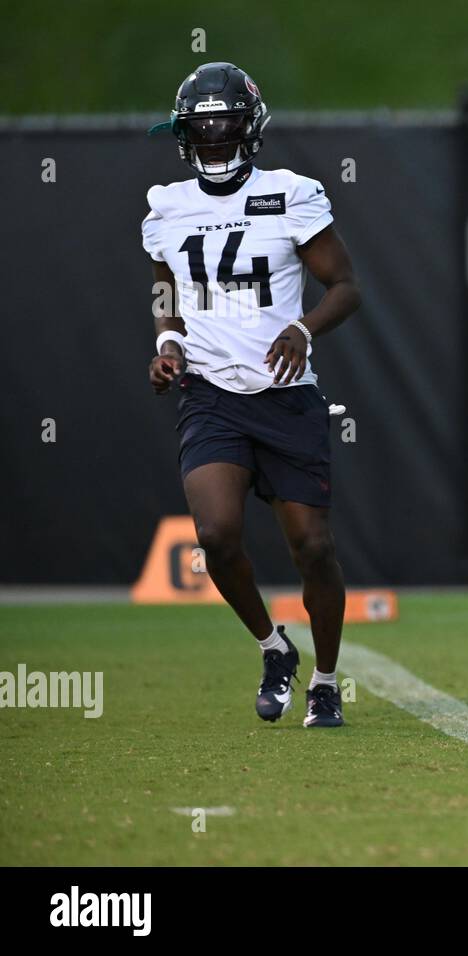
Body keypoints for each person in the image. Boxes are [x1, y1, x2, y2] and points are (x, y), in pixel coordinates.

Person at [143, 62, 361, 727]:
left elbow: (346, 287)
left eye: (223, 124)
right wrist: (167, 345)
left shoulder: (292, 194)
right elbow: (166, 295)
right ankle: (273, 647)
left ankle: (324, 681)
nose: (212, 138)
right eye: (200, 128)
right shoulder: (166, 206)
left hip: (287, 396)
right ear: (185, 136)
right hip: (211, 394)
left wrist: (302, 325)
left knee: (313, 548)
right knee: (216, 533)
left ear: (250, 126)